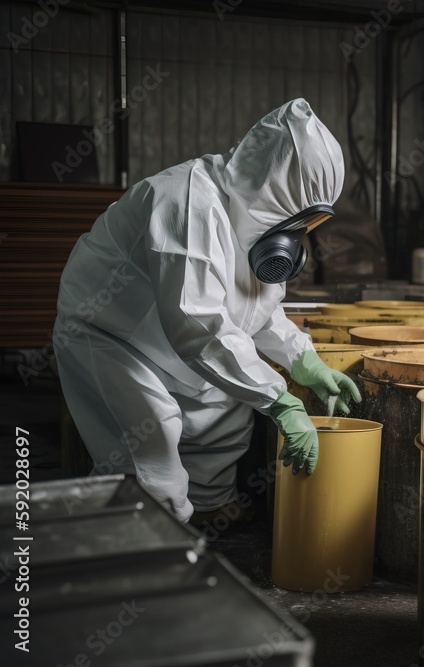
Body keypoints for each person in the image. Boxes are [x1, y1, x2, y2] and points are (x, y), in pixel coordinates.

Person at [54, 98, 361, 524]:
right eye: (298, 221)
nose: (296, 239)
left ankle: (200, 537)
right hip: (112, 336)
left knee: (227, 421)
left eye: (309, 226)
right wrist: (281, 401)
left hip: (171, 342)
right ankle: (139, 557)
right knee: (153, 445)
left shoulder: (252, 221)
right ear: (270, 192)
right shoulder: (184, 204)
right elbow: (197, 323)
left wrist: (302, 358)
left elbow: (254, 307)